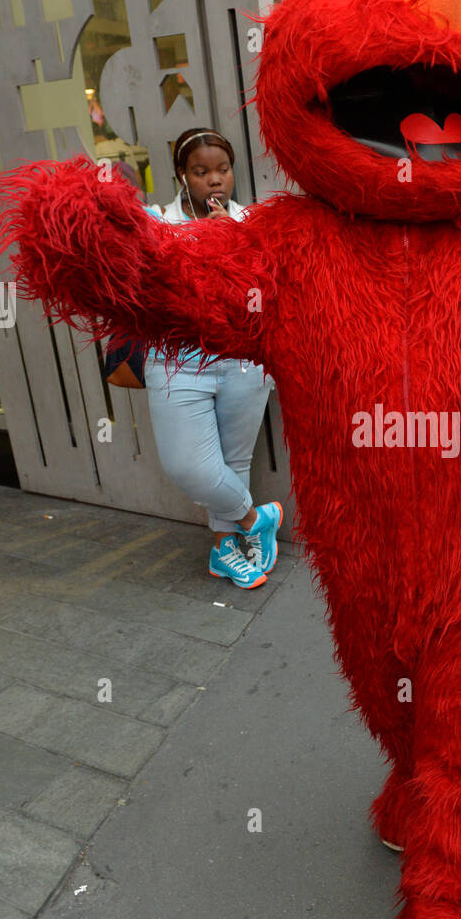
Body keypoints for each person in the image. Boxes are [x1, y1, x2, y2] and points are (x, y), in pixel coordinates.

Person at [144, 127, 282, 589]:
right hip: (176, 359)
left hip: (243, 359)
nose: (215, 181)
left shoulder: (251, 221)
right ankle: (256, 518)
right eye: (201, 172)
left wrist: (237, 243)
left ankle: (226, 549)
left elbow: (271, 291)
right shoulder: (157, 223)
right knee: (190, 465)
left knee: (233, 460)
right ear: (182, 175)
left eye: (222, 170)